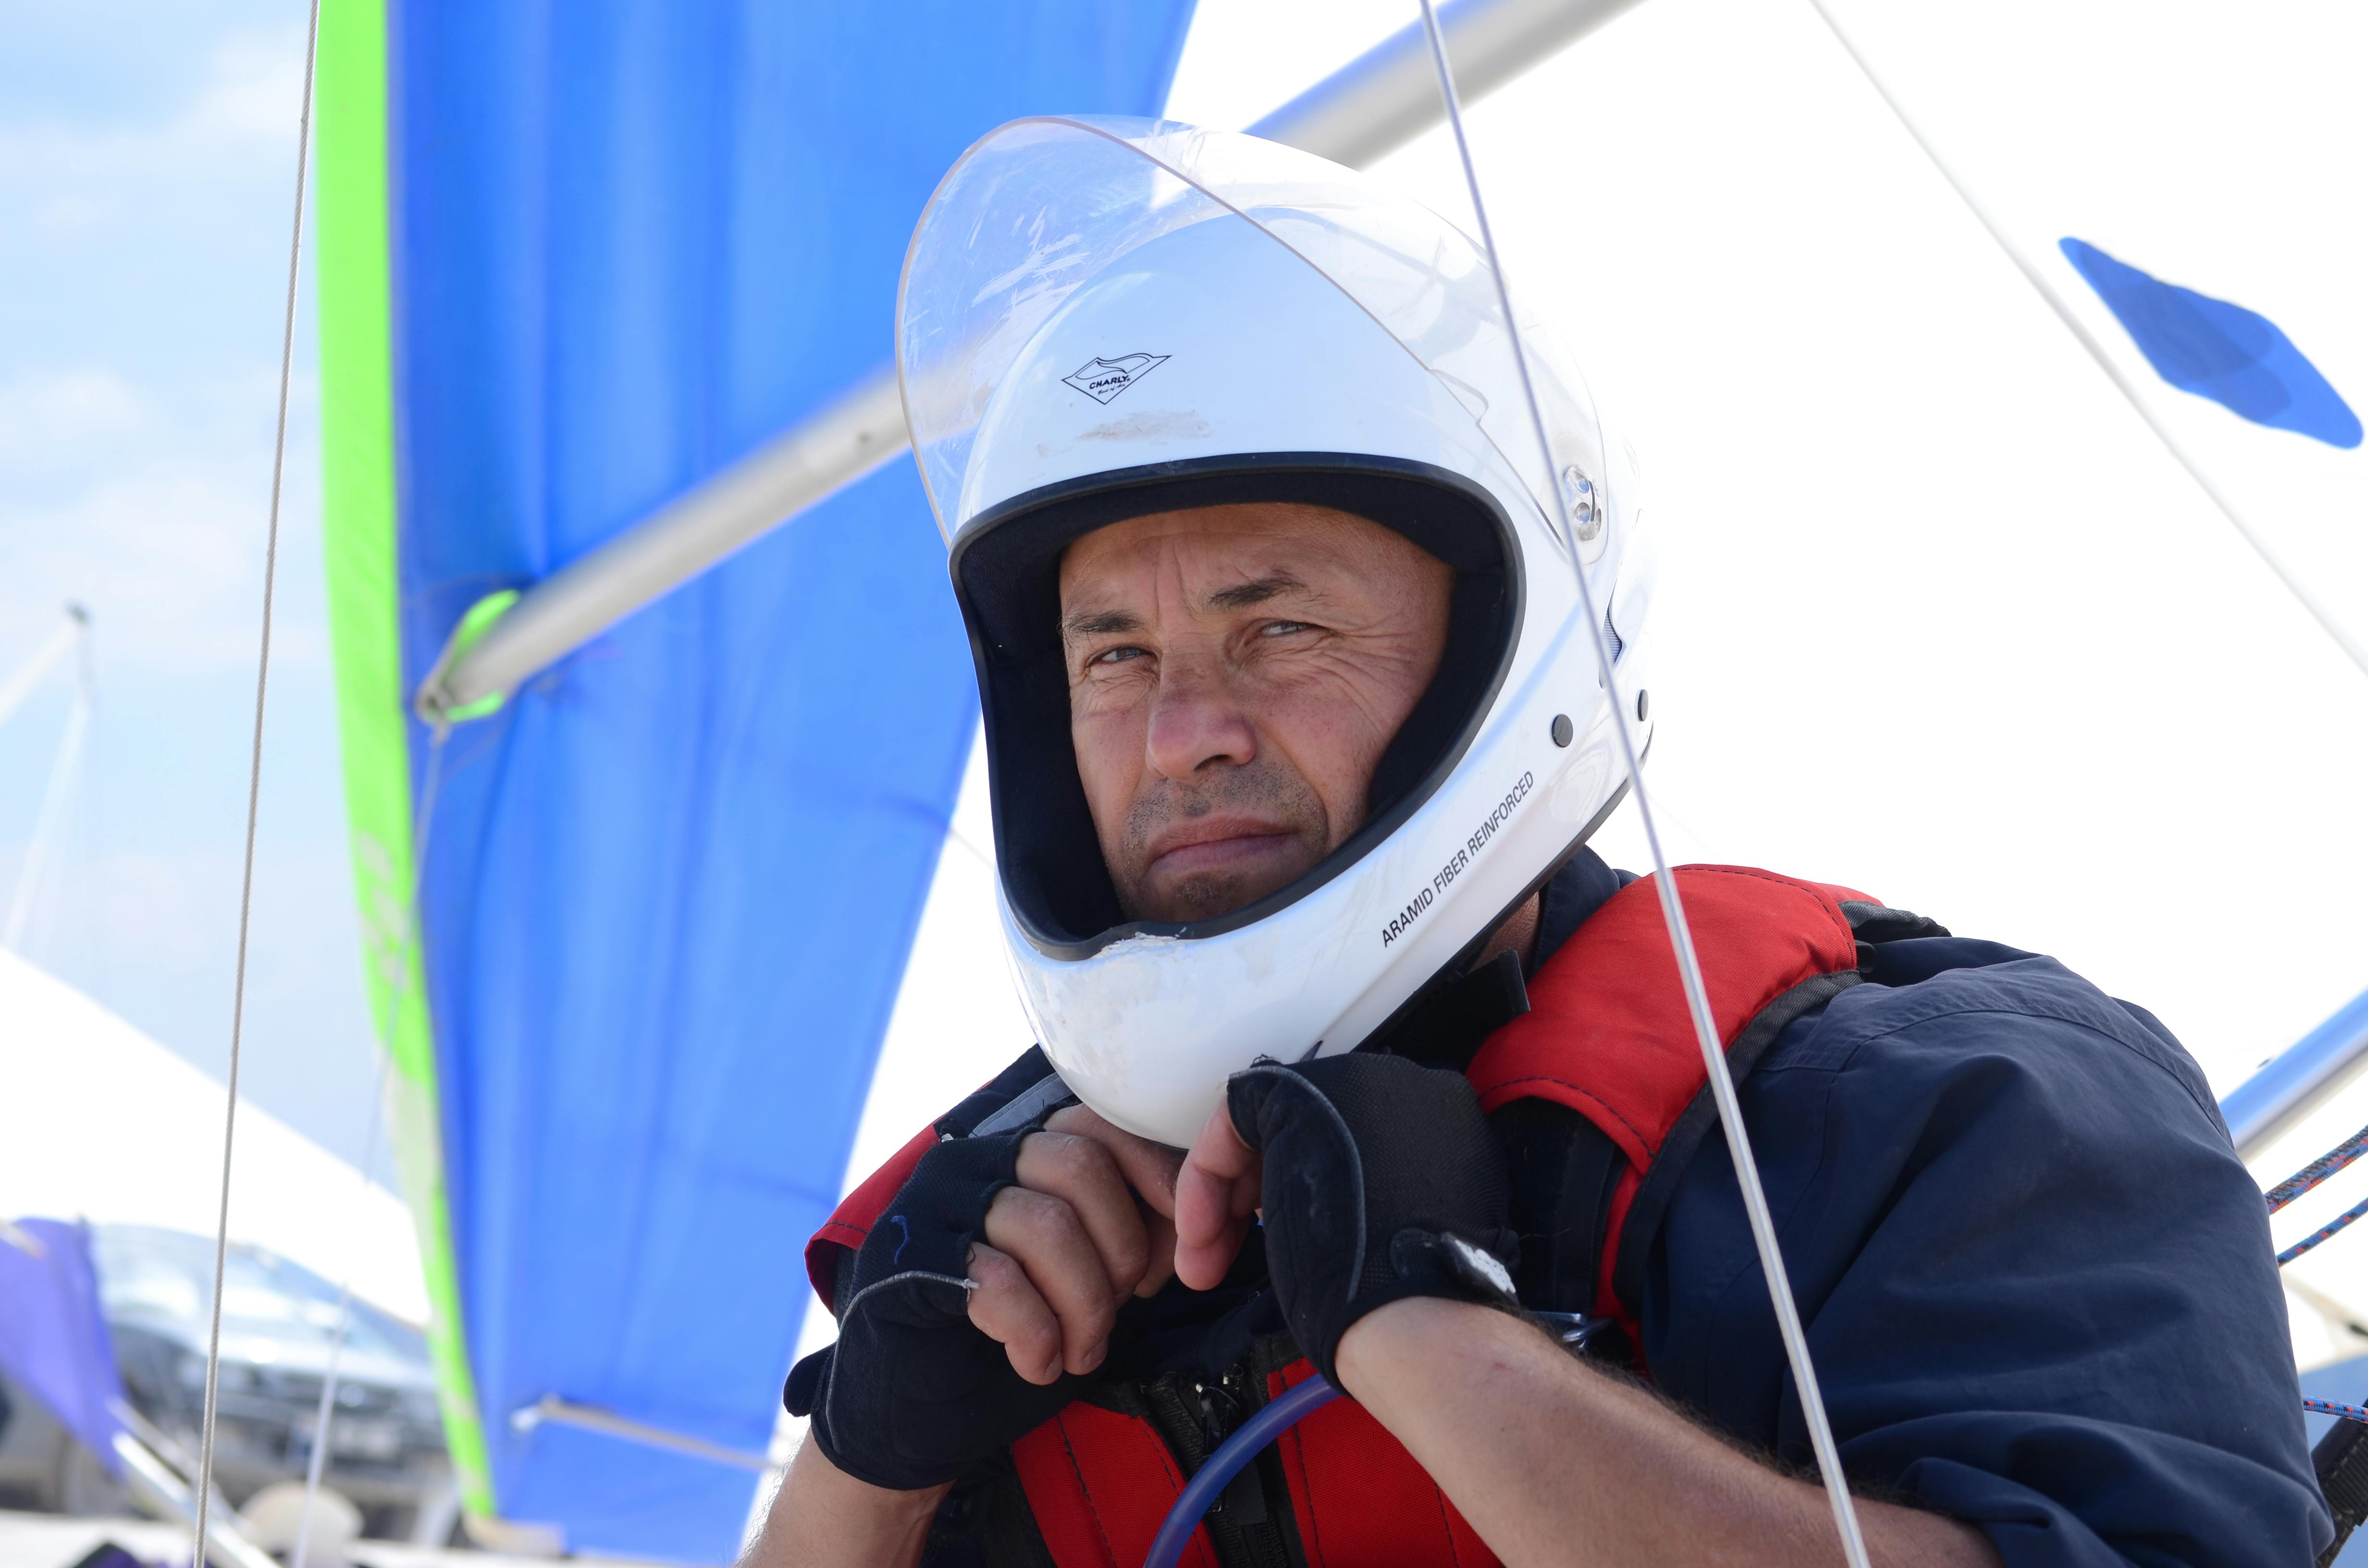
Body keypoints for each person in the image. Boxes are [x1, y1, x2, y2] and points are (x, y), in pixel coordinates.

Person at [745, 119, 2329, 1568]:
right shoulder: (1001, 1258)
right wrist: (859, 1477)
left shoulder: (1940, 1105)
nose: (1183, 734)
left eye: (1278, 625)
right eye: (1114, 658)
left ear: (1503, 649)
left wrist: (1455, 1344)